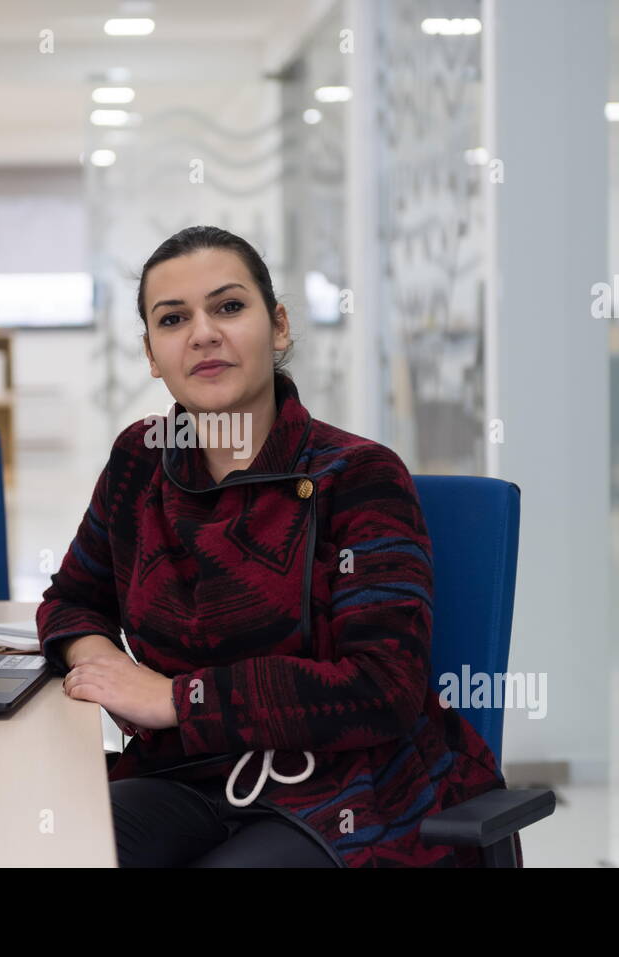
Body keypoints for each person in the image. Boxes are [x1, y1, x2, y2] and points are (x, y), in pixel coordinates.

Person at [38, 225, 517, 868]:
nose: (203, 333)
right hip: (186, 773)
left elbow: (383, 685)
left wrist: (175, 700)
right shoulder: (140, 460)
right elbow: (71, 600)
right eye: (173, 319)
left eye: (229, 307)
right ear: (152, 354)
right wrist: (106, 667)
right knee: (54, 848)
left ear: (280, 326)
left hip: (350, 787)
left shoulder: (360, 475)